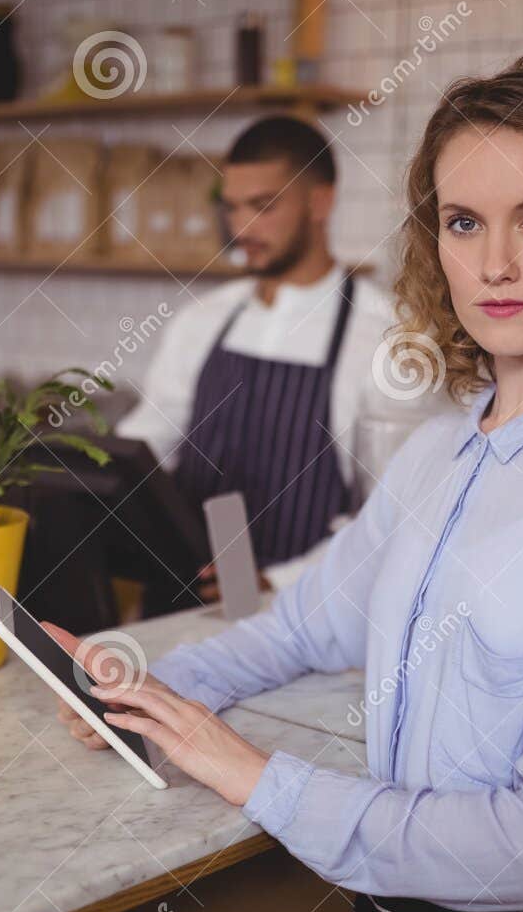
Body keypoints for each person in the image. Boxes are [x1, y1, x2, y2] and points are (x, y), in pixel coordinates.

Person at [50, 55, 523, 912]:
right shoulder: (435, 456)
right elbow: (304, 622)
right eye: (463, 222)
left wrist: (251, 771)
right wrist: (164, 690)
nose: (494, 263)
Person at [115, 115, 432, 603]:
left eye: (263, 207)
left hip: (304, 611)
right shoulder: (202, 321)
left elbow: (396, 514)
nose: (243, 229)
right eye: (233, 208)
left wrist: (276, 583)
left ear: (320, 202)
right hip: (175, 608)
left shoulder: (388, 337)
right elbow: (148, 444)